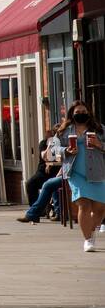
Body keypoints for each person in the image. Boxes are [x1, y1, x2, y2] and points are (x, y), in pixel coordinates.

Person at [58, 101, 105, 252]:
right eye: (78, 112)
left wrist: (100, 144)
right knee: (84, 204)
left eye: (84, 111)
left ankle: (90, 231)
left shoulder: (99, 129)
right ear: (72, 114)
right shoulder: (64, 131)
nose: (81, 114)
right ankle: (88, 240)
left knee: (100, 208)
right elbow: (53, 149)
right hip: (75, 173)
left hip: (97, 172)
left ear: (89, 113)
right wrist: (66, 150)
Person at [18, 126, 66, 224]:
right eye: (55, 133)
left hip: (60, 173)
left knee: (50, 185)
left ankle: (39, 213)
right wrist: (50, 144)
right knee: (31, 183)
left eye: (58, 133)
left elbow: (62, 160)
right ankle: (37, 211)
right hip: (44, 173)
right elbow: (45, 156)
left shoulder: (65, 143)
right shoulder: (45, 143)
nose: (56, 135)